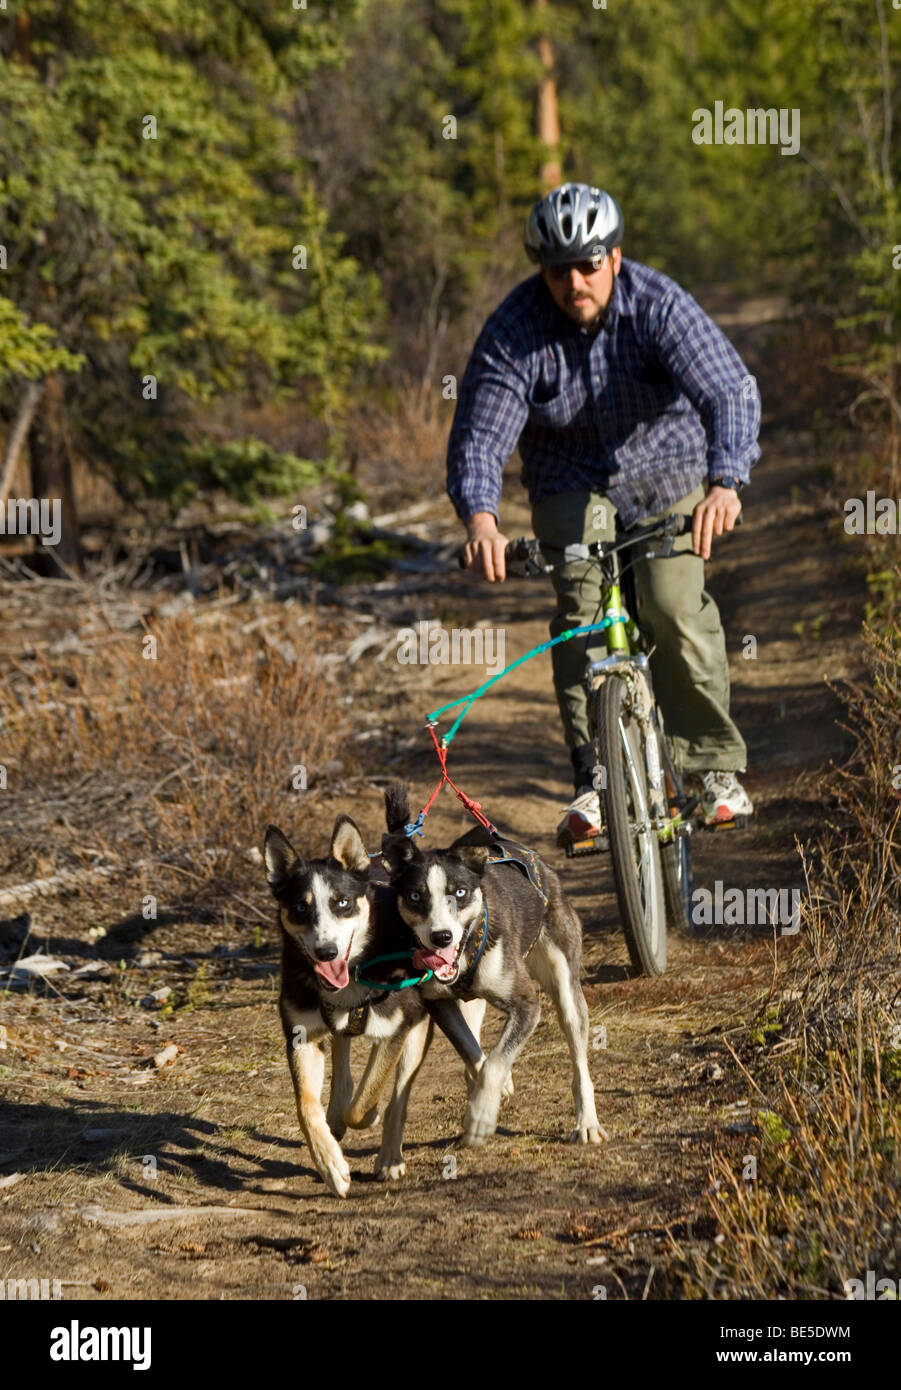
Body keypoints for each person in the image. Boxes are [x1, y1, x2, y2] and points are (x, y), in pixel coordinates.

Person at [447, 181, 760, 847]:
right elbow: (481, 432)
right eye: (557, 269)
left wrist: (724, 481)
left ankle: (709, 767)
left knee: (671, 603)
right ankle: (594, 775)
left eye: (588, 263)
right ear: (541, 271)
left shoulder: (657, 304)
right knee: (582, 615)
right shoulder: (515, 330)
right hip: (569, 483)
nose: (573, 281)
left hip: (667, 473)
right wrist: (480, 517)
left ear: (614, 258)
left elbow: (728, 388)